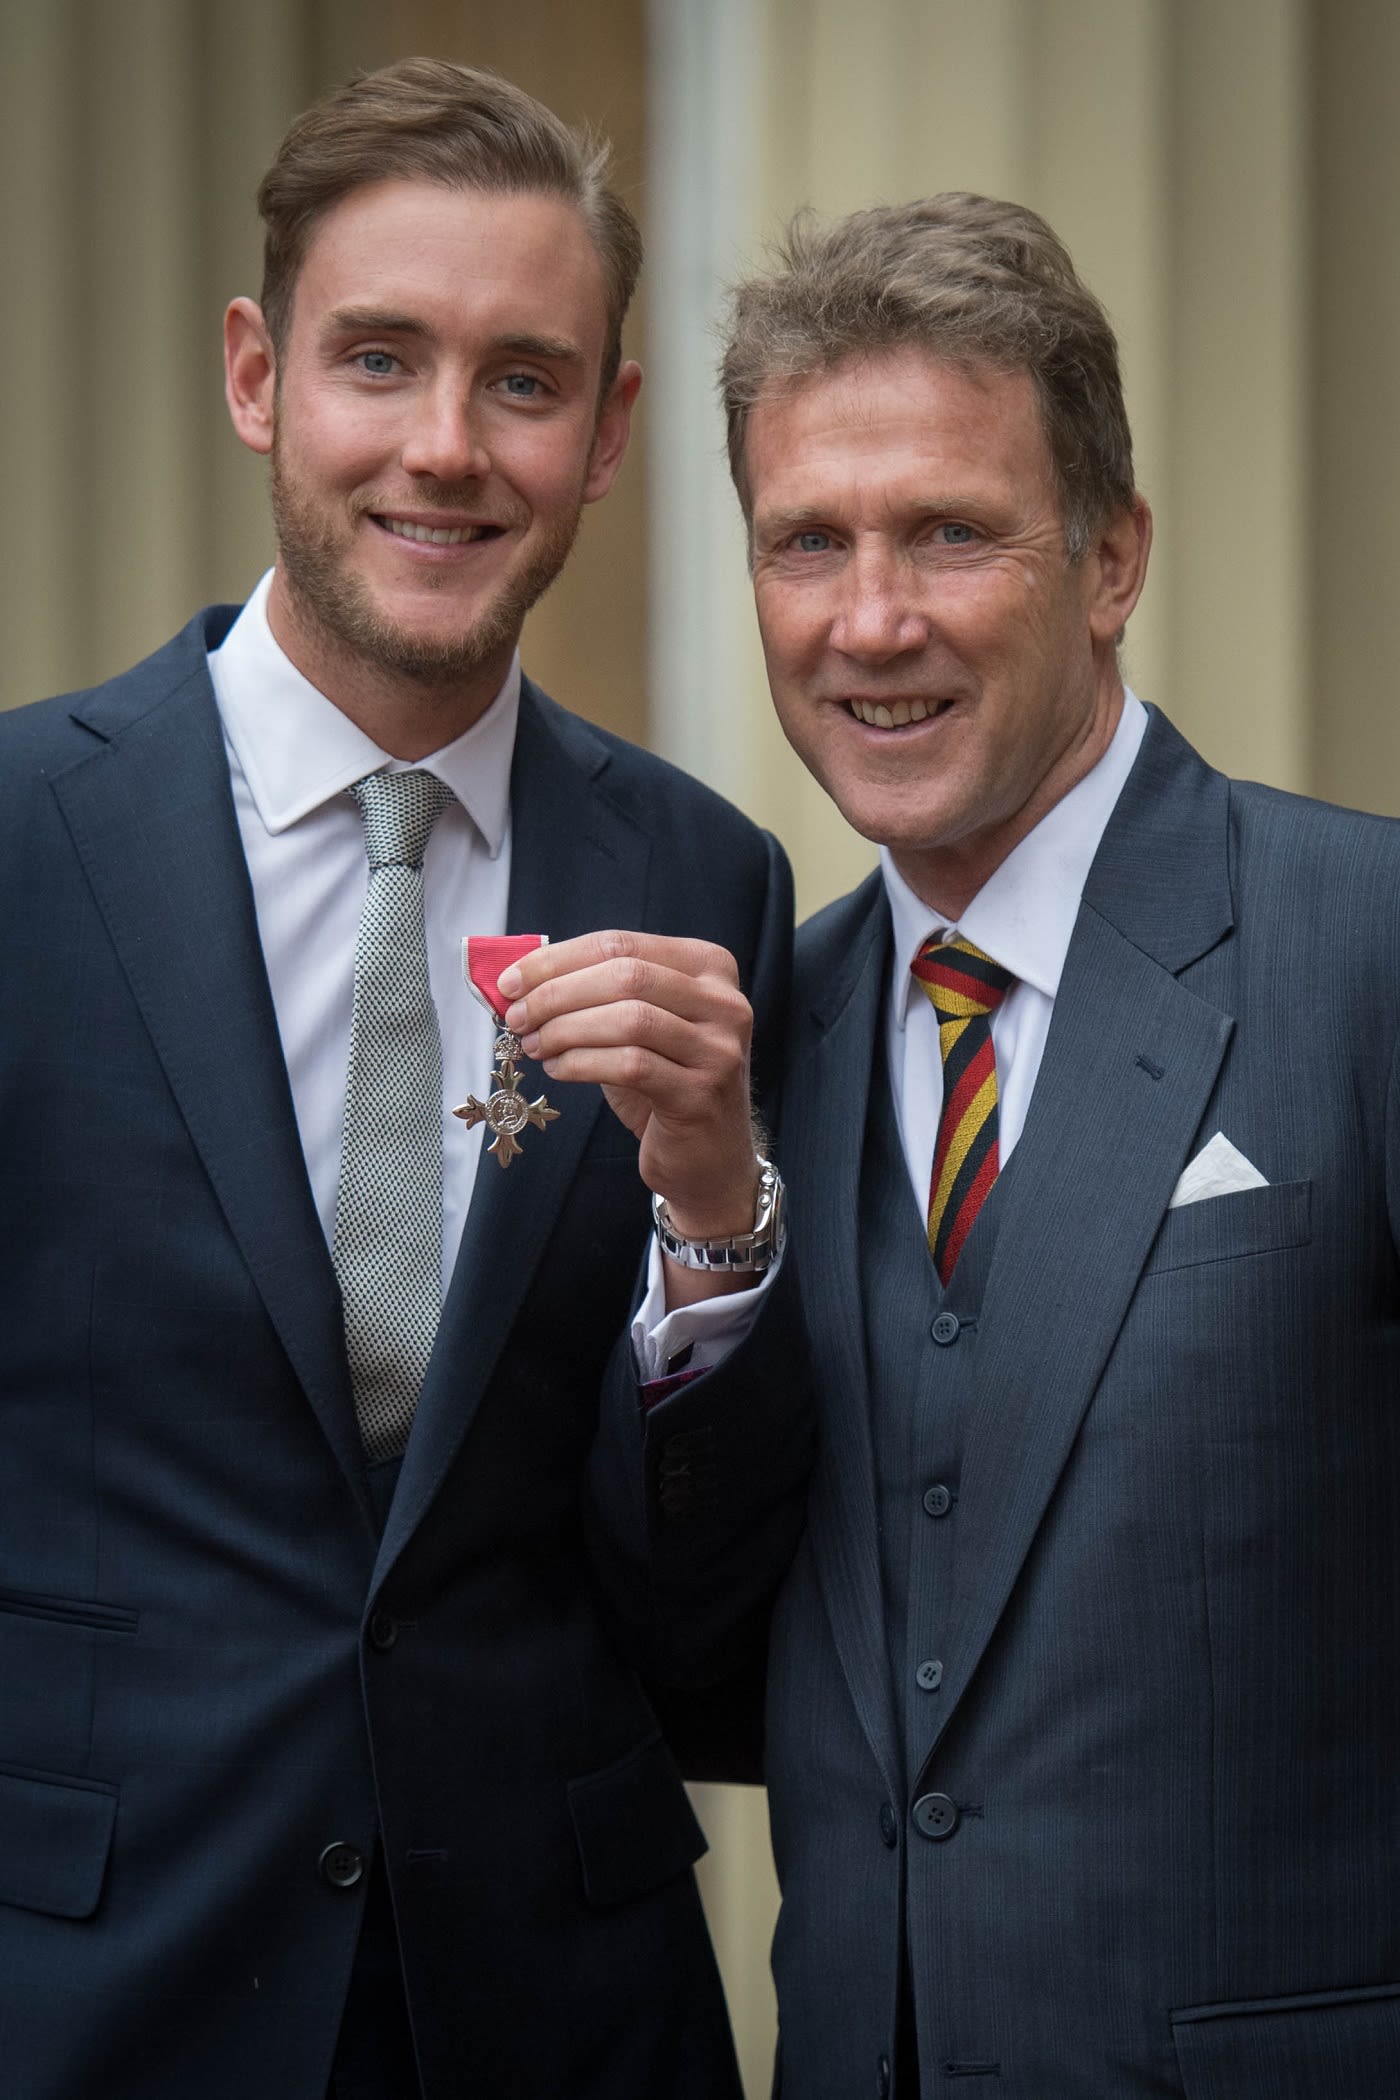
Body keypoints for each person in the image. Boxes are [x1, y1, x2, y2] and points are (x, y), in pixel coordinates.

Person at [0, 59, 808, 2100]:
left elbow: (696, 1586)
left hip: (557, 2002)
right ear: (259, 375)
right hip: (96, 1982)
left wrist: (715, 1215)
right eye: (382, 360)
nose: (446, 449)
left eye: (524, 381)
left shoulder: (705, 879)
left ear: (611, 431)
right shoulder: (18, 841)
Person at [720, 194, 1400, 2096]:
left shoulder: (1367, 949)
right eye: (807, 545)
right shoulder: (771, 1036)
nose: (874, 620)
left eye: (952, 532)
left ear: (1112, 562)